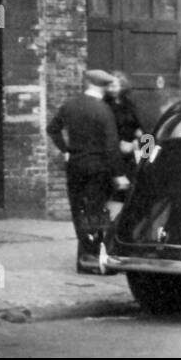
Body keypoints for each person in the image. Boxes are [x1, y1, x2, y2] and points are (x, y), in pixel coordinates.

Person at [47, 69, 130, 273]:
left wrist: (66, 150)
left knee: (81, 212)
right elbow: (113, 145)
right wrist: (120, 173)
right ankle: (94, 260)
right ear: (104, 87)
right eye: (111, 85)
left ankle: (86, 259)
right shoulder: (104, 110)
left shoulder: (71, 104)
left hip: (77, 165)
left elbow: (52, 129)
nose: (113, 88)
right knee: (95, 213)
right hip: (101, 167)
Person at [105, 71, 143, 192]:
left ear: (122, 86)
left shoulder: (130, 104)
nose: (111, 89)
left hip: (131, 155)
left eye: (114, 86)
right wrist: (118, 145)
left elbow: (142, 129)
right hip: (113, 155)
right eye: (109, 86)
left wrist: (136, 144)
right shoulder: (104, 105)